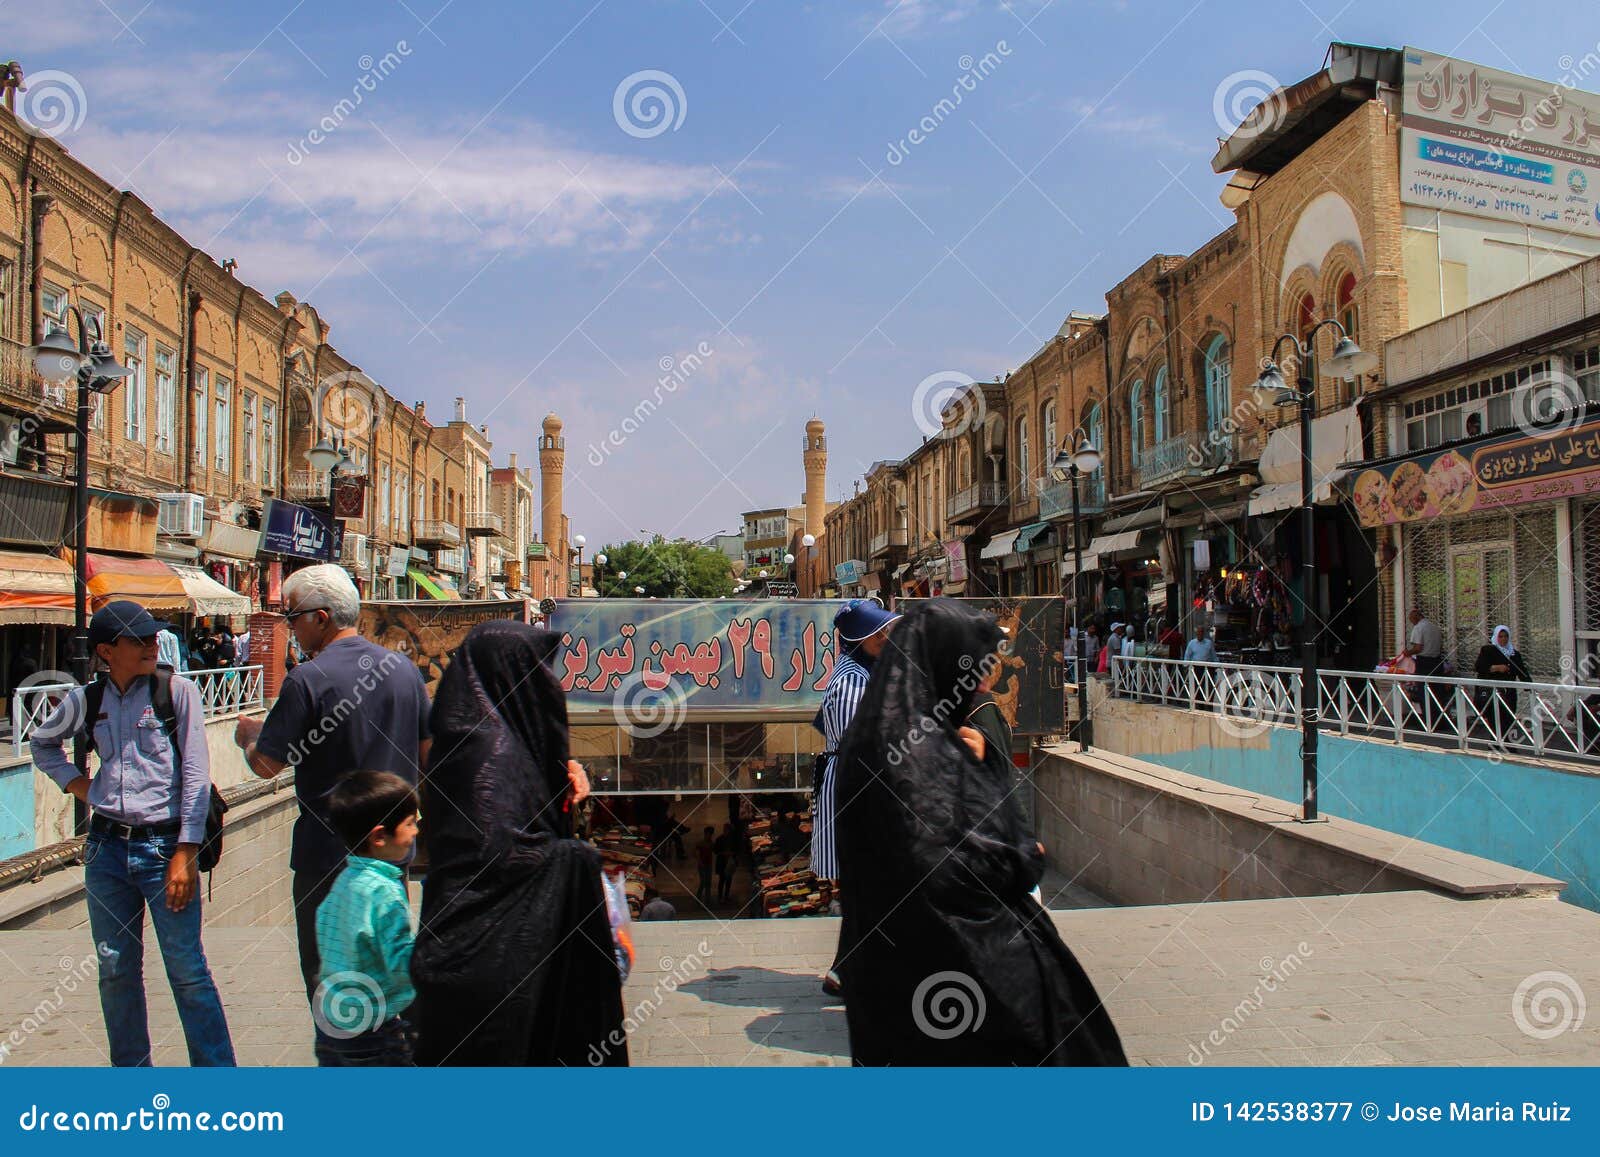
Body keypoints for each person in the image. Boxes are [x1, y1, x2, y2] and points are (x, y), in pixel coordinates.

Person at [833, 599, 1127, 1066]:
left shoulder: (886, 738)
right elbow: (958, 865)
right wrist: (1016, 843)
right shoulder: (917, 754)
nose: (983, 675)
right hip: (969, 976)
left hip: (901, 986)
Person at [410, 619, 625, 1066]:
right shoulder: (484, 753)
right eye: (539, 667)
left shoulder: (488, 737)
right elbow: (503, 861)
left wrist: (559, 779)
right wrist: (579, 859)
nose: (548, 679)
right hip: (486, 973)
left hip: (505, 967)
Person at [30, 601, 234, 1067]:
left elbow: (198, 776)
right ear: (106, 650)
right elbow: (43, 744)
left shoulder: (175, 692)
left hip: (164, 851)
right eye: (137, 640)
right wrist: (82, 787)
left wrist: (184, 851)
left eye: (150, 637)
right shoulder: (88, 700)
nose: (149, 646)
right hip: (105, 852)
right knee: (116, 970)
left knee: (187, 971)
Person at [233, 563, 431, 1007]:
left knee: (334, 991)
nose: (291, 629)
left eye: (292, 617)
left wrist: (248, 738)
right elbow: (428, 757)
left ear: (320, 618)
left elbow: (267, 766)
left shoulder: (307, 679)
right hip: (389, 860)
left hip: (328, 859)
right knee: (388, 981)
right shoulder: (403, 671)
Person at [812, 597, 900, 997]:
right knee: (864, 884)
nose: (885, 635)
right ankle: (850, 970)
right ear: (859, 638)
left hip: (866, 786)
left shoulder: (867, 672)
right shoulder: (850, 679)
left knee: (868, 886)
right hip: (857, 788)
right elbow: (857, 747)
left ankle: (847, 969)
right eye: (877, 631)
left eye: (884, 629)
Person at [314, 771, 419, 1066]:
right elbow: (400, 965)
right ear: (379, 837)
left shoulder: (345, 880)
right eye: (410, 823)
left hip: (331, 1023)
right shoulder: (385, 892)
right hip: (373, 1029)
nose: (416, 831)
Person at [1474, 625, 1530, 744]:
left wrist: (1529, 686)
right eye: (1500, 636)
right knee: (1495, 719)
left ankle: (1508, 744)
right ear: (1495, 637)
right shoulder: (1488, 650)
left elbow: (1522, 671)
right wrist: (1496, 668)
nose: (1503, 639)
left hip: (1508, 692)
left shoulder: (1514, 654)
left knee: (1509, 718)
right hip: (1492, 692)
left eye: (1505, 636)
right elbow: (1479, 667)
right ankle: (1496, 743)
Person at [1405, 605, 1444, 677]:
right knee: (1437, 686)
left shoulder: (1418, 627)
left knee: (1423, 685)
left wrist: (1408, 653)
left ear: (1417, 617)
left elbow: (1418, 648)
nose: (1412, 622)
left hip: (1424, 662)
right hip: (1437, 661)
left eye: (1412, 619)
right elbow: (1441, 646)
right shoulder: (1435, 627)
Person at [714, 822, 736, 904]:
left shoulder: (733, 840)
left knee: (729, 880)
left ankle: (726, 895)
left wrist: (732, 853)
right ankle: (720, 897)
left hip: (729, 862)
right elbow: (716, 851)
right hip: (722, 862)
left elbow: (736, 850)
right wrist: (723, 853)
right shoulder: (719, 839)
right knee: (722, 880)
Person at [695, 826, 716, 905]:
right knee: (703, 882)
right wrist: (700, 861)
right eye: (708, 834)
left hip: (709, 864)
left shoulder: (711, 843)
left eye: (710, 834)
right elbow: (697, 854)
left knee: (708, 882)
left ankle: (708, 899)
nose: (709, 836)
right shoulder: (701, 843)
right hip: (702, 865)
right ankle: (698, 897)